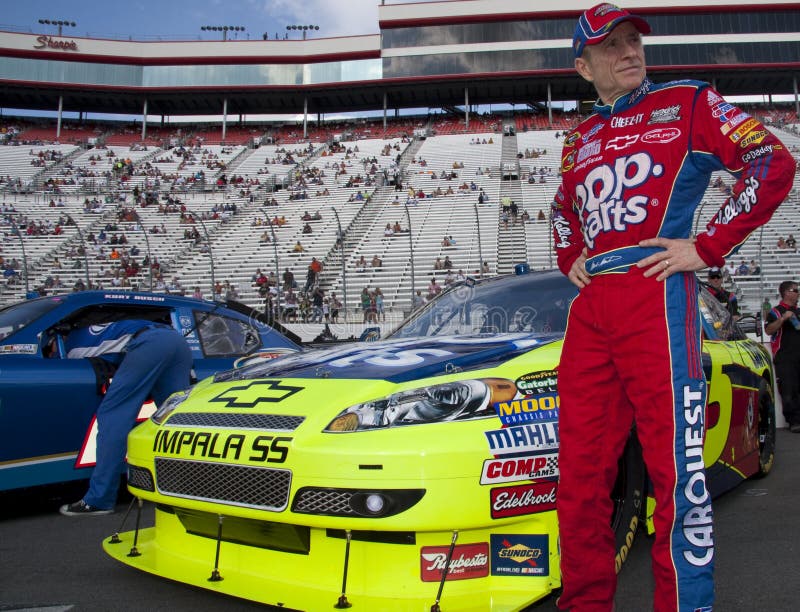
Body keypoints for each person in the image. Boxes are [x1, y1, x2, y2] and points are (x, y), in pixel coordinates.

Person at [551, 5, 796, 612]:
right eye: (612, 45)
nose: (629, 50)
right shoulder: (577, 138)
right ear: (583, 66)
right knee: (579, 483)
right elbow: (561, 211)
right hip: (591, 309)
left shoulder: (687, 101)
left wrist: (706, 245)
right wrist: (569, 258)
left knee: (677, 478)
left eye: (634, 39)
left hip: (655, 293)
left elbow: (772, 161)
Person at [59, 319, 192, 516]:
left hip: (149, 343)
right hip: (175, 339)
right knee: (177, 419)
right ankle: (191, 490)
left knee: (113, 414)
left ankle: (99, 499)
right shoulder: (104, 327)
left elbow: (75, 371)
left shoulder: (71, 344)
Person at [764, 281, 800, 433]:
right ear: (786, 292)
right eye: (796, 290)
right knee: (788, 390)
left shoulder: (798, 311)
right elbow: (768, 330)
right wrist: (783, 319)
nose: (798, 293)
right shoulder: (775, 311)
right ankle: (793, 421)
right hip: (785, 357)